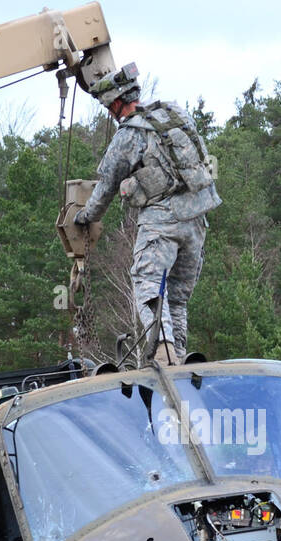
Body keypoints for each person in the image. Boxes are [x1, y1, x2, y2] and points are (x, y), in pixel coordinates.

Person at [73, 62, 221, 366]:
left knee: (147, 283)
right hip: (197, 218)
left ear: (115, 103)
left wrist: (85, 217)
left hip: (162, 221)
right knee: (177, 299)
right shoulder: (175, 114)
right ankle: (178, 355)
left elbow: (106, 188)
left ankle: (164, 352)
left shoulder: (128, 136)